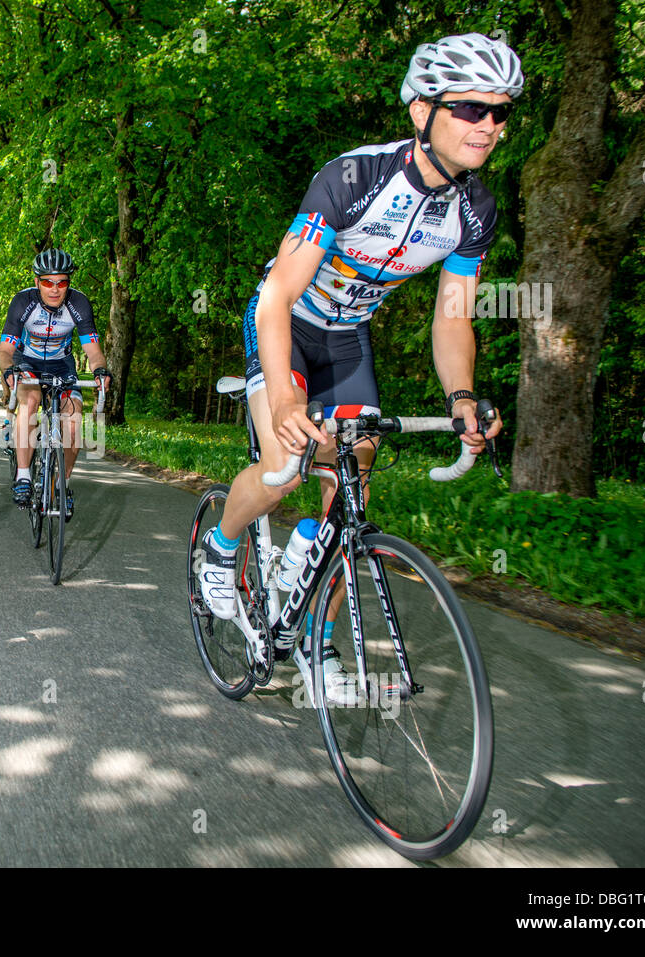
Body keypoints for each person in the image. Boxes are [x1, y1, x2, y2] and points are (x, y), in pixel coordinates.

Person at [197, 33, 518, 699]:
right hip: (287, 324)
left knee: (354, 481)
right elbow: (279, 296)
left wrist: (461, 394)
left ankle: (316, 640)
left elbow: (453, 316)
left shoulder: (474, 212)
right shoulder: (352, 178)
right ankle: (222, 548)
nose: (487, 125)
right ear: (420, 111)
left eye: (499, 111)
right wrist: (286, 403)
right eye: (468, 108)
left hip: (346, 338)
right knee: (286, 464)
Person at [0, 249, 111, 519]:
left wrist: (100, 370)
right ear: (37, 282)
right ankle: (24, 476)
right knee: (31, 401)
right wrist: (8, 370)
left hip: (62, 365)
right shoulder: (23, 302)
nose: (56, 289)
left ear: (69, 282)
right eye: (48, 282)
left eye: (62, 282)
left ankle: (62, 484)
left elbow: (93, 351)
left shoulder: (79, 304)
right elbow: (4, 351)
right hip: (27, 362)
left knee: (73, 419)